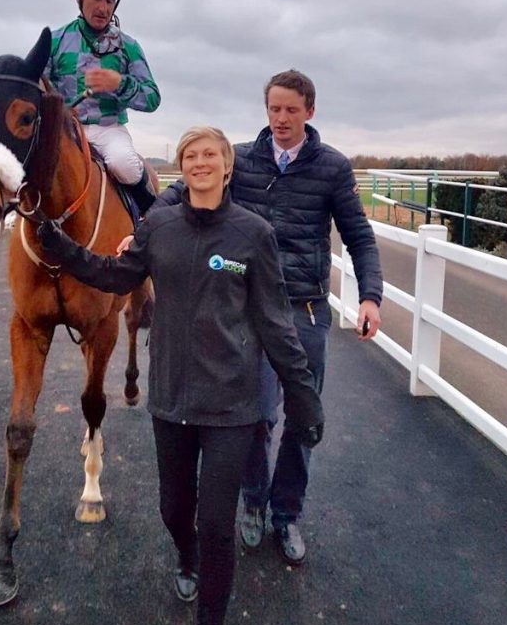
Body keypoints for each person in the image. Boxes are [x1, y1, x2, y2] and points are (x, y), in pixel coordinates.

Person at [36, 126, 324, 625]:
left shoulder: (253, 235)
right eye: (191, 156)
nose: (200, 163)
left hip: (231, 406)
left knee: (217, 527)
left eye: (210, 155)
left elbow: (274, 321)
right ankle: (184, 556)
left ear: (226, 167)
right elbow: (117, 277)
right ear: (182, 166)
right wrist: (61, 249)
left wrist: (302, 394)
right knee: (175, 511)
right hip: (170, 399)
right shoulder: (158, 227)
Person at [153, 70, 383, 567]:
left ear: (309, 113)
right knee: (256, 416)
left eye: (291, 111)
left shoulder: (333, 169)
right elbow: (178, 193)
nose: (280, 119)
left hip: (303, 308)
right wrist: (146, 231)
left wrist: (370, 296)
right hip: (249, 312)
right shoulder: (242, 158)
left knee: (301, 418)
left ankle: (287, 512)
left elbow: (359, 237)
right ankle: (253, 503)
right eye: (274, 109)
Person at [44, 0, 160, 211]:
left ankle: (151, 219)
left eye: (110, 0)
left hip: (109, 130)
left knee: (124, 164)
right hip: (64, 130)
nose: (103, 8)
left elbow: (152, 98)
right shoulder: (54, 41)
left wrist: (119, 83)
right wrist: (58, 110)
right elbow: (36, 90)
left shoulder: (128, 46)